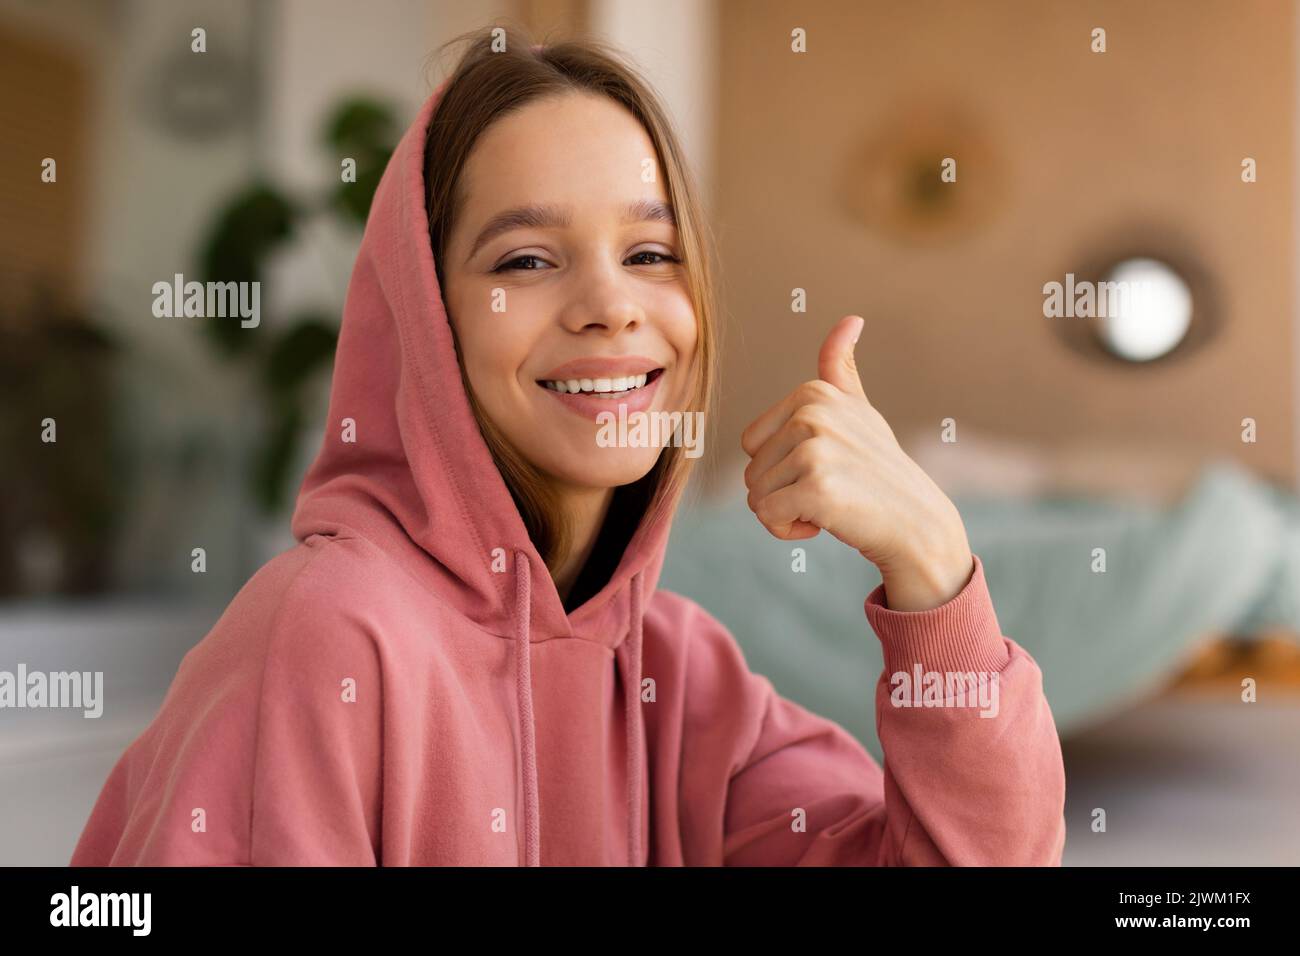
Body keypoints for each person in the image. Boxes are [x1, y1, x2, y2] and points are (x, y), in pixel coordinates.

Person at [71, 26, 1065, 866]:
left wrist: (935, 570)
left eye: (648, 253)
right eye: (527, 259)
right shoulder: (327, 633)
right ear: (427, 317)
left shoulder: (677, 671)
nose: (608, 307)